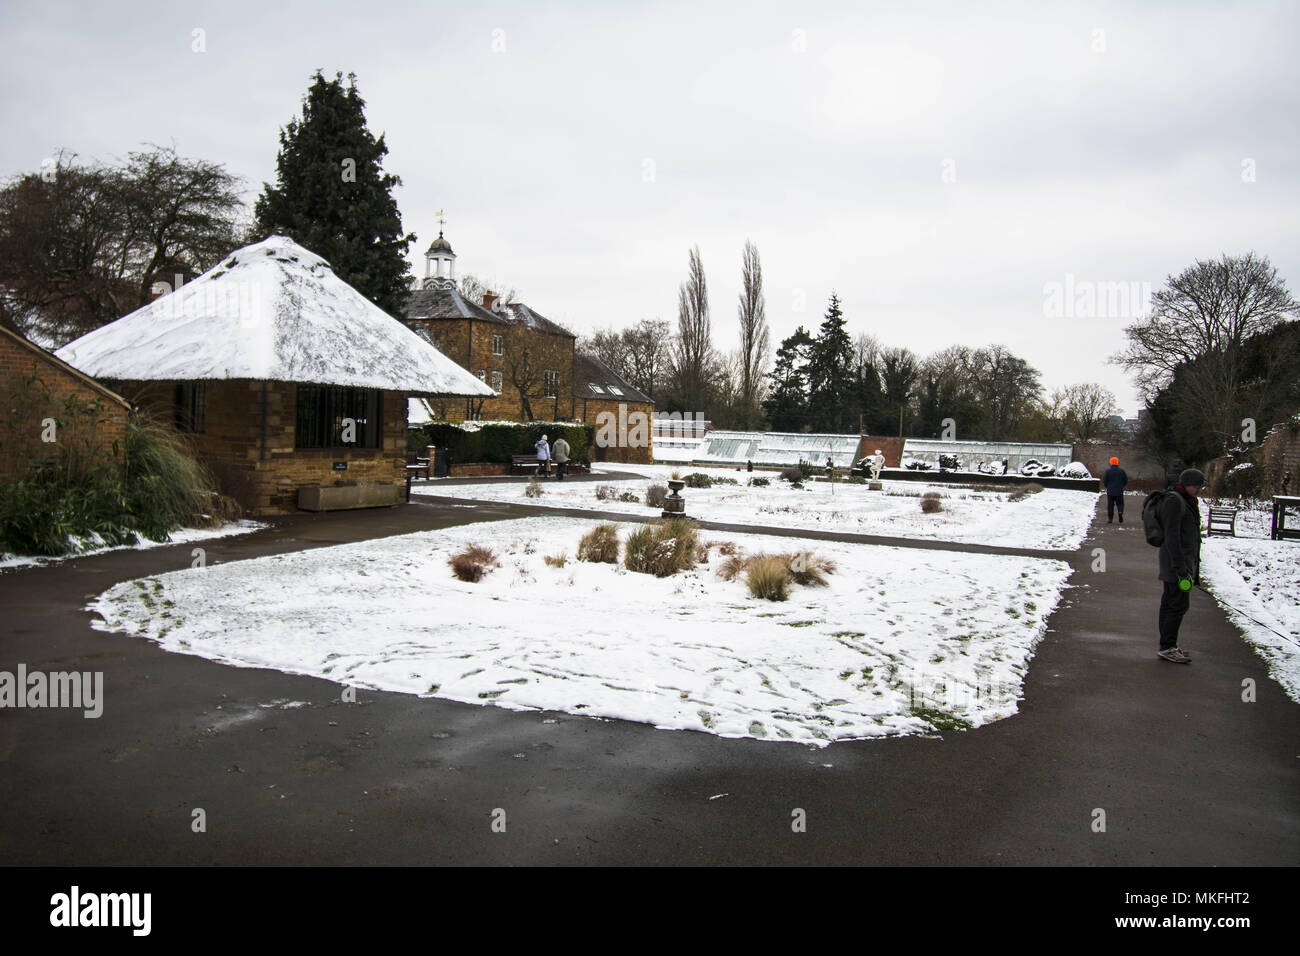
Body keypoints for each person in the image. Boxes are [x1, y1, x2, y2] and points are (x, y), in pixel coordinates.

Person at [1156, 468, 1205, 664]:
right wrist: (1180, 567)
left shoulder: (1186, 501)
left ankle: (1168, 645)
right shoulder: (1175, 501)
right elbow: (1172, 536)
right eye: (1196, 486)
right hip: (1176, 564)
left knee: (1172, 603)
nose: (1199, 489)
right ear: (1186, 484)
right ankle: (1167, 646)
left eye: (1201, 486)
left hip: (1181, 563)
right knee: (1176, 605)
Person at [1102, 456, 1128, 523]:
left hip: (1110, 491)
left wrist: (1107, 486)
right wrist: (1121, 486)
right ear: (1117, 463)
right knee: (1120, 504)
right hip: (1119, 491)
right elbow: (1125, 481)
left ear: (1111, 463)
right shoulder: (1122, 471)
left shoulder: (1108, 471)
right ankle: (1120, 512)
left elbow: (1105, 481)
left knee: (1110, 505)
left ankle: (1110, 519)